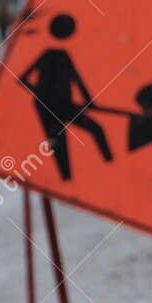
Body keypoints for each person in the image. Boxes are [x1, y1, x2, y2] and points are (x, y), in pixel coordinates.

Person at [18, 13, 112, 181]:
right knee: (60, 145)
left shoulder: (62, 55)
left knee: (97, 130)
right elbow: (22, 79)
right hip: (48, 107)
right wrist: (41, 94)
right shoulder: (49, 55)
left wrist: (89, 102)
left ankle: (110, 168)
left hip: (63, 105)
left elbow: (77, 81)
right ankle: (67, 182)